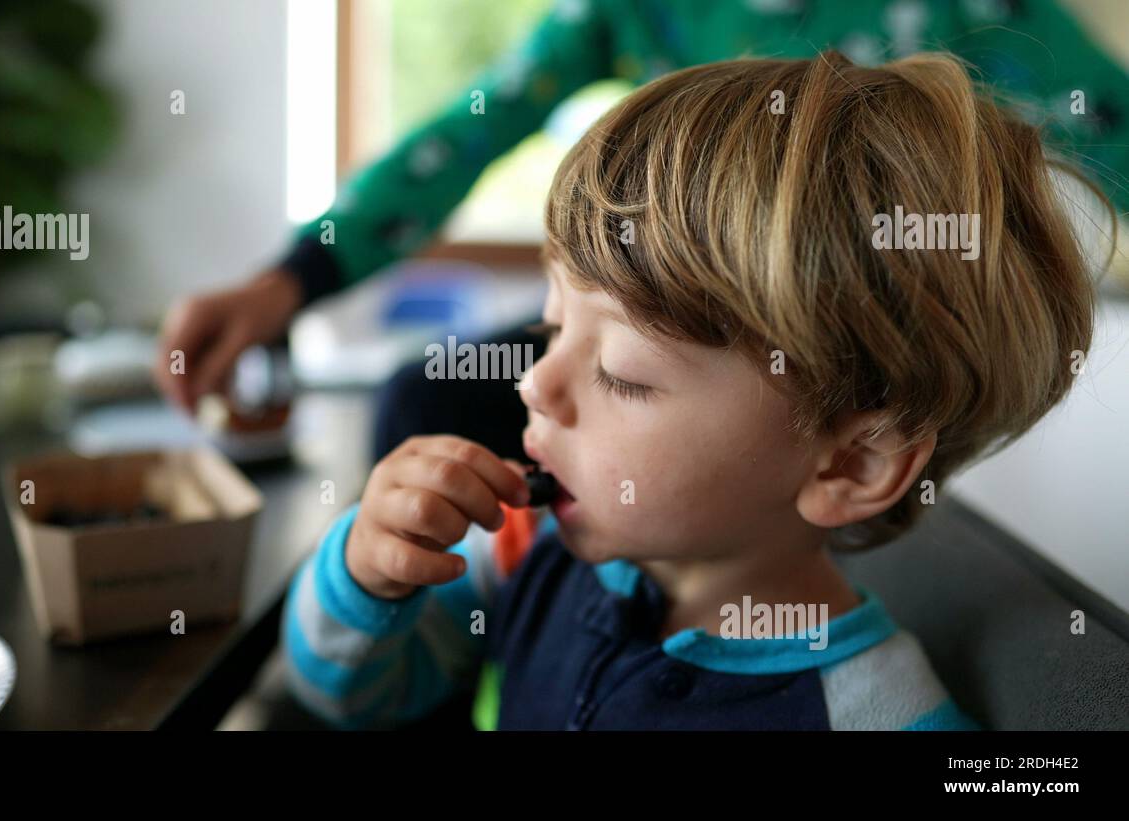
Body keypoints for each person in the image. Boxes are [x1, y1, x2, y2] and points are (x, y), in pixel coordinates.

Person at [280, 50, 1106, 729]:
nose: (534, 382)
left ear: (850, 465)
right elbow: (351, 694)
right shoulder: (516, 550)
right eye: (553, 327)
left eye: (622, 374)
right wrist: (365, 578)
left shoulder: (874, 715)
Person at [155, 0, 1129, 464]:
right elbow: (460, 135)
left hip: (846, 350)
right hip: (679, 323)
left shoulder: (969, 11)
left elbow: (1110, 120)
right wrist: (291, 276)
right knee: (425, 403)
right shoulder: (633, 9)